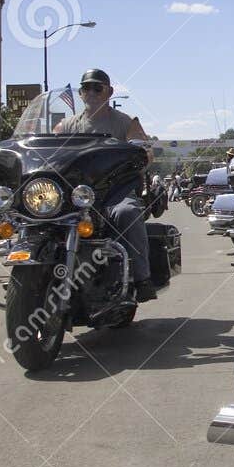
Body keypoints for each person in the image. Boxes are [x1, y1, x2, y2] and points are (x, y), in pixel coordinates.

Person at [54, 68, 157, 301]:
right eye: (86, 88)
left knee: (128, 212)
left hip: (113, 192)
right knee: (36, 217)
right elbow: (48, 153)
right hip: (74, 196)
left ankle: (142, 277)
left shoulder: (125, 123)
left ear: (108, 92)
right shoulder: (66, 126)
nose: (91, 92)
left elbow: (145, 152)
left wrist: (139, 157)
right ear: (80, 94)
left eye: (97, 87)